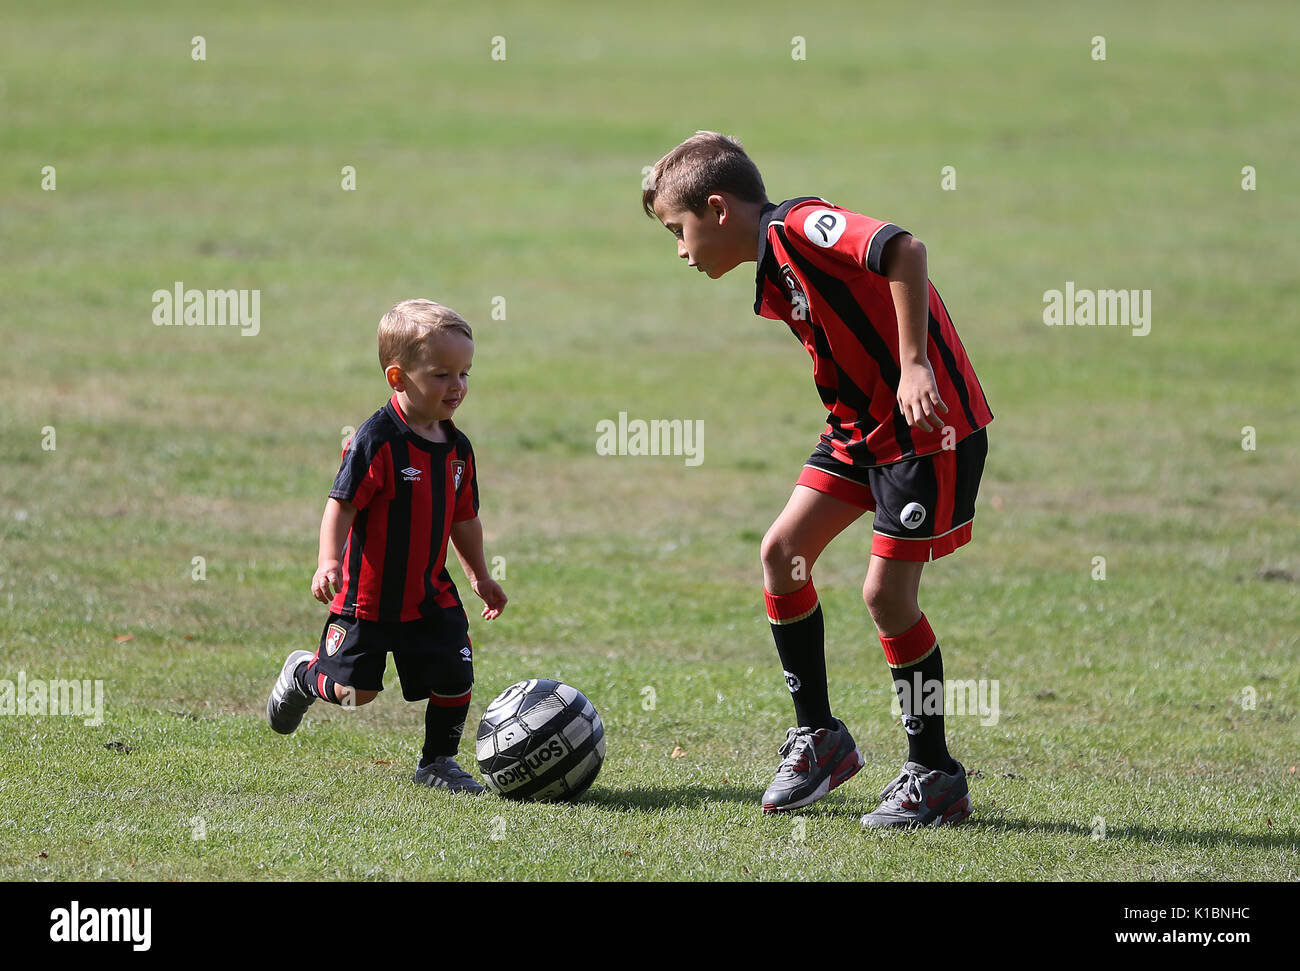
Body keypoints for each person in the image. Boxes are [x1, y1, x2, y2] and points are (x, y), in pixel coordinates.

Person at [643, 132, 993, 827]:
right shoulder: (771, 263)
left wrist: (916, 362)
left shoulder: (800, 225)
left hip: (924, 428)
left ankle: (934, 772)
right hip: (860, 427)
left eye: (678, 231)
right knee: (781, 553)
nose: (680, 251)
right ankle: (821, 738)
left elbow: (903, 250)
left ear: (716, 209)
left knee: (885, 596)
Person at [266, 298, 507, 793]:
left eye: (465, 373)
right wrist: (327, 560)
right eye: (441, 374)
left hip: (429, 596)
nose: (457, 386)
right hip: (368, 600)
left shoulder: (458, 449)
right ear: (398, 378)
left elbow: (464, 518)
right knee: (357, 693)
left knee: (455, 675)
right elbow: (342, 504)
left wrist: (479, 576)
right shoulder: (376, 440)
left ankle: (437, 763)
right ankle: (303, 674)